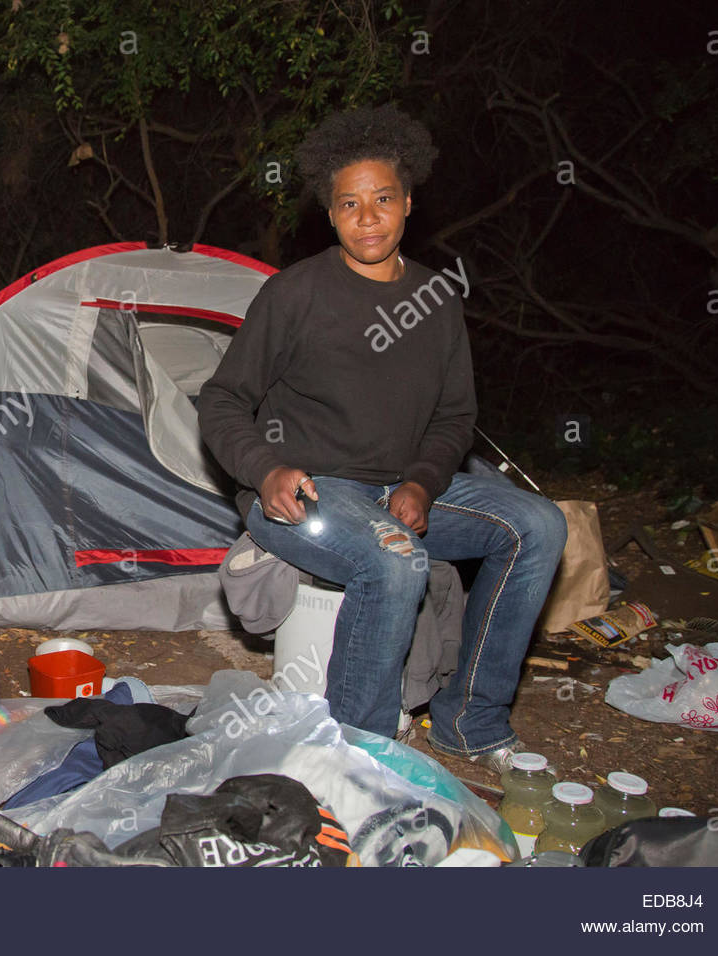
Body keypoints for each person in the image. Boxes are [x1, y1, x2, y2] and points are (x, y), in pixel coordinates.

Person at [197, 105, 567, 773]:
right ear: (331, 215)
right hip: (305, 495)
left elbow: (456, 416)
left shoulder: (435, 301)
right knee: (395, 560)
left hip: (397, 487)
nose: (367, 217)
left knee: (536, 524)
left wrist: (423, 482)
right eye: (349, 204)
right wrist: (267, 469)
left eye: (382, 199)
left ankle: (470, 719)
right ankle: (358, 756)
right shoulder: (295, 294)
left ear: (408, 204)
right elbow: (223, 400)